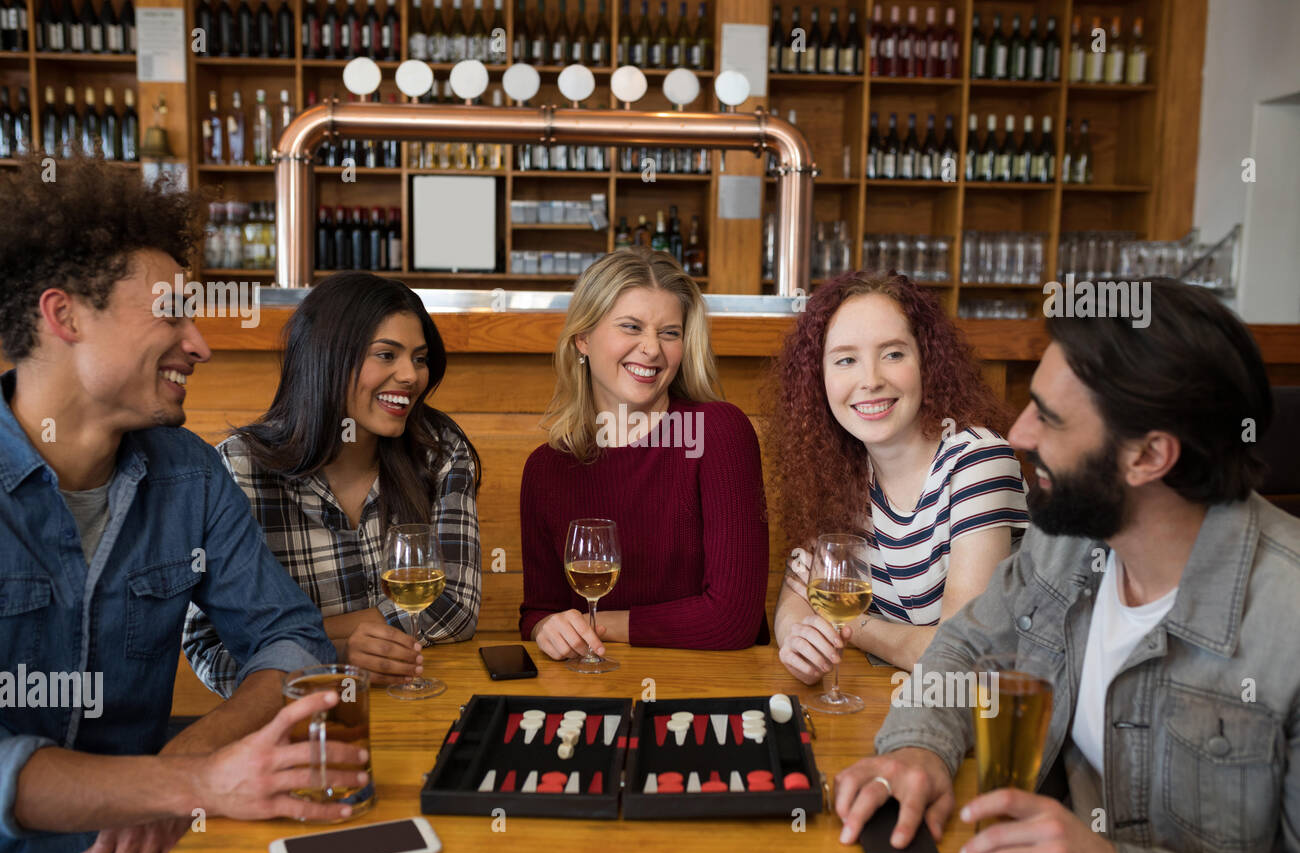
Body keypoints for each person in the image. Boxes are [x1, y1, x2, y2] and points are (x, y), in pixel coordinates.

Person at [835, 278, 1300, 853]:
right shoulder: (1066, 539)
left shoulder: (1288, 619)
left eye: (1050, 419)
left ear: (1150, 456)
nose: (1020, 434)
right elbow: (966, 647)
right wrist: (921, 749)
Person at [0, 156, 364, 853]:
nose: (199, 343)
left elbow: (292, 640)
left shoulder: (189, 474)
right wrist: (183, 782)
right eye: (172, 313)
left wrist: (175, 776)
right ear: (63, 314)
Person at [182, 272, 482, 696]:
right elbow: (212, 648)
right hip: (294, 723)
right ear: (327, 358)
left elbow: (454, 608)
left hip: (419, 701)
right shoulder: (237, 469)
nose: (411, 375)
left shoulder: (439, 450)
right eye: (386, 354)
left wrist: (292, 642)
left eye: (418, 357)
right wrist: (335, 654)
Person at [768, 272, 1028, 679]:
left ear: (928, 362)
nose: (870, 380)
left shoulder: (977, 460)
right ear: (818, 379)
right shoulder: (842, 470)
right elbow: (799, 589)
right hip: (899, 705)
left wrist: (846, 625)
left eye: (893, 354)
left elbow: (964, 655)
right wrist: (796, 636)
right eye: (845, 360)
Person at [519, 247, 769, 658]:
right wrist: (549, 627)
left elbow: (732, 620)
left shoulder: (718, 433)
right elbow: (539, 612)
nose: (651, 349)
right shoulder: (546, 468)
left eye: (669, 333)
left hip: (709, 692)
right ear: (583, 338)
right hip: (593, 691)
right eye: (631, 327)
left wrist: (594, 625)